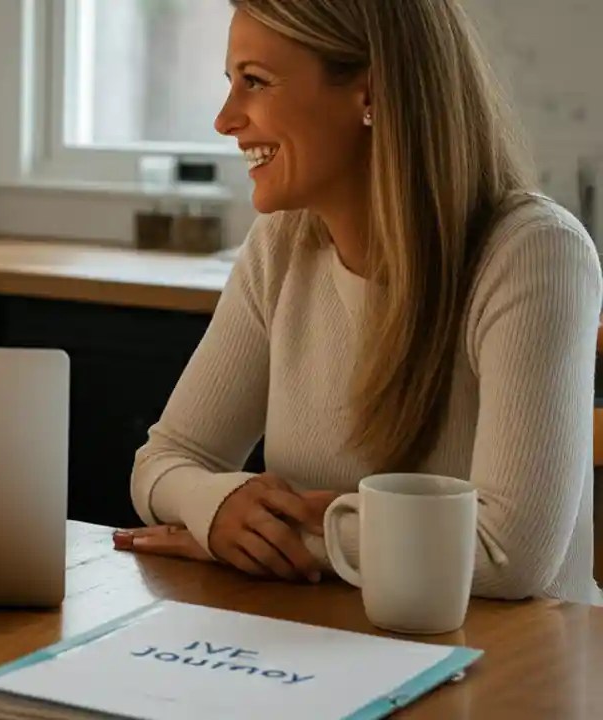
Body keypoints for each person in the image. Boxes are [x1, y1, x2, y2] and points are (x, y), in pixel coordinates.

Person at [114, 0, 602, 605]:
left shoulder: (534, 252)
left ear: (369, 92)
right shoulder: (281, 244)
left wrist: (296, 543)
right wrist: (218, 508)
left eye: (255, 82)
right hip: (338, 643)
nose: (225, 119)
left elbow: (509, 555)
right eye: (230, 83)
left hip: (517, 666)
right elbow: (167, 458)